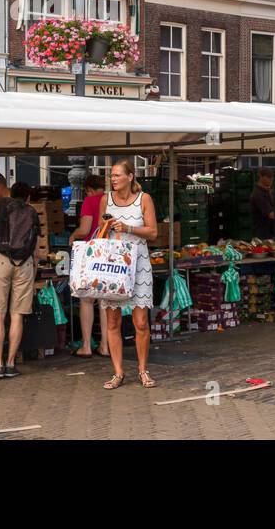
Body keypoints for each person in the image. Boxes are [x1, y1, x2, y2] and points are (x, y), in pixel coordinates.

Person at [100, 159, 158, 390]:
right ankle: (118, 372)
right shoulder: (106, 200)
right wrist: (107, 227)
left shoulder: (144, 199)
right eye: (111, 176)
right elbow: (99, 231)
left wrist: (129, 228)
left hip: (138, 263)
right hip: (114, 264)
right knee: (113, 320)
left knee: (140, 321)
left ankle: (143, 370)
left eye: (117, 175)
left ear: (130, 176)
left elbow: (153, 232)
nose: (113, 179)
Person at [0, 174, 40, 380]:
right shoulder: (32, 212)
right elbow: (36, 247)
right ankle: (11, 363)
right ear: (27, 198)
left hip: (1, 259)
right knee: (17, 314)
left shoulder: (2, 202)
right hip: (23, 263)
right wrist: (34, 268)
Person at [69, 174, 109, 359]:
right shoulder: (112, 199)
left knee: (87, 299)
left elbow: (85, 230)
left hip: (92, 253)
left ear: (89, 190)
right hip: (109, 253)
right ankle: (105, 346)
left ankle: (86, 346)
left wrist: (73, 235)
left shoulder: (90, 201)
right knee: (105, 300)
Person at [250, 169, 275, 240]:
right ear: (261, 177)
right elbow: (270, 214)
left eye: (272, 178)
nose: (271, 180)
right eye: (268, 177)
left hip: (269, 232)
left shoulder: (267, 191)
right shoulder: (258, 194)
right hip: (262, 235)